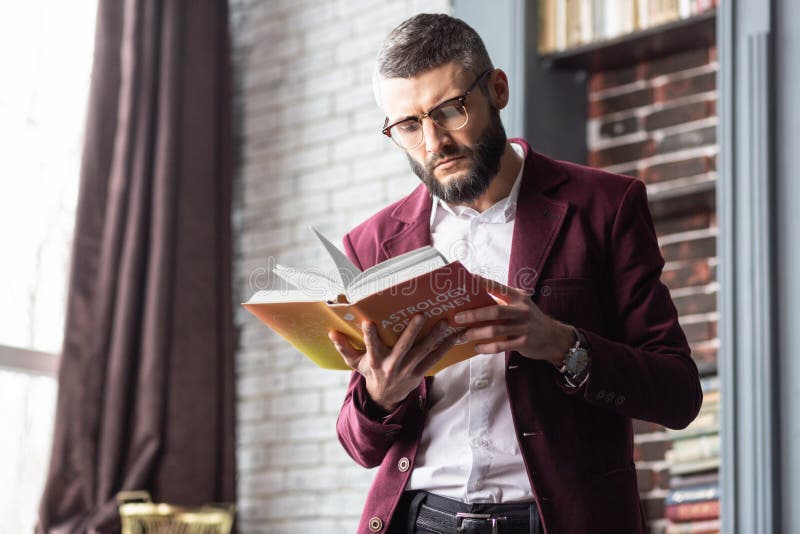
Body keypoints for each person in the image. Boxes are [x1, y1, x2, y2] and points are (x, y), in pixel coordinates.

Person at [328, 13, 702, 534]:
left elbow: (679, 394)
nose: (434, 143)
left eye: (450, 110)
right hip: (419, 518)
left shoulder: (605, 207)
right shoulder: (372, 242)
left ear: (497, 89)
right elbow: (358, 445)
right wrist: (380, 396)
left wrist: (562, 344)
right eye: (409, 126)